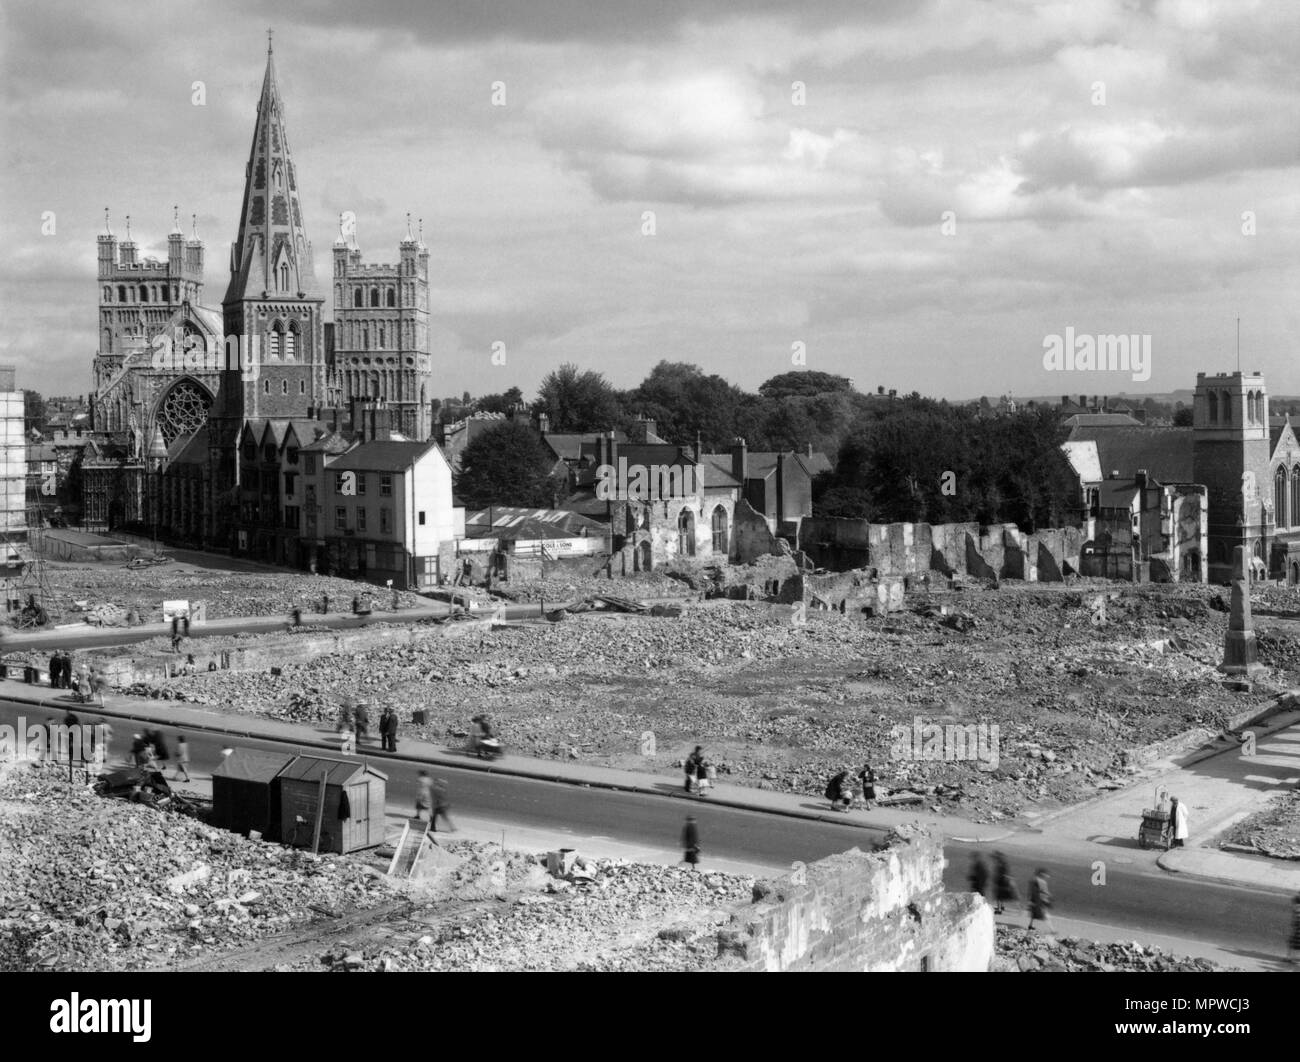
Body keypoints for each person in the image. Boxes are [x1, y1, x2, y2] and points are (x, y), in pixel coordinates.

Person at [1027, 868, 1053, 933]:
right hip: (1040, 901)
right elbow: (1044, 891)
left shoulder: (1032, 880)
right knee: (1045, 916)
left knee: (1034, 914)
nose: (1047, 876)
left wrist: (1029, 900)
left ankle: (1030, 926)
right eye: (1045, 874)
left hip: (1033, 900)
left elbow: (1030, 892)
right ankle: (1052, 930)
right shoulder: (1042, 882)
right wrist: (1049, 897)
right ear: (1042, 874)